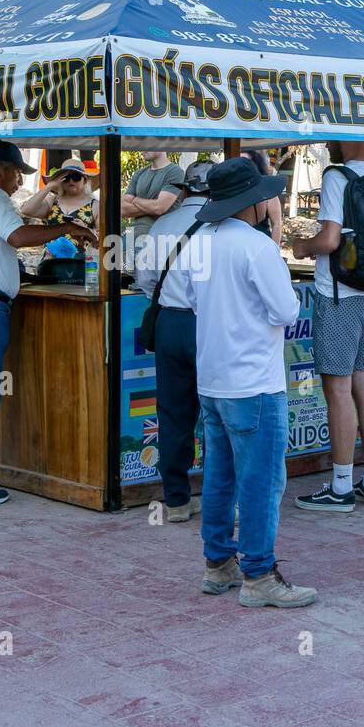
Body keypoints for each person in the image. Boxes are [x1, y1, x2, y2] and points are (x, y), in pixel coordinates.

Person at [179, 156, 315, 607]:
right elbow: (287, 311)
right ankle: (258, 574)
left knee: (219, 476)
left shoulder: (200, 240)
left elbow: (191, 301)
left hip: (214, 378)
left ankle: (218, 564)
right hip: (254, 382)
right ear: (252, 201)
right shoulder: (256, 248)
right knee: (260, 481)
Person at [0, 139, 97, 509]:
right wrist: (65, 228)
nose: (16, 184)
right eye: (15, 176)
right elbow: (19, 237)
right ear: (1, 170)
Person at [290, 140, 364, 511]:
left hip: (338, 295)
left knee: (337, 390)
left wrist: (301, 246)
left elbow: (331, 239)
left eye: (331, 138)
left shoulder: (337, 176)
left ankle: (341, 486)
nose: (328, 144)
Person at [134, 159, 212, 523]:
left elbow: (145, 278)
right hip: (209, 326)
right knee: (220, 413)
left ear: (184, 190)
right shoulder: (222, 227)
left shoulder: (164, 223)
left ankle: (177, 500)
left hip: (168, 323)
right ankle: (221, 497)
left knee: (173, 413)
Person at [19, 157, 99, 271]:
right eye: (66, 178)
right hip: (50, 263)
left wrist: (86, 231)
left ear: (85, 180)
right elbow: (26, 210)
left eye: (76, 177)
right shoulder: (52, 201)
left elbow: (103, 240)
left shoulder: (95, 205)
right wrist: (49, 186)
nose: (71, 181)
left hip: (80, 265)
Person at [121, 150, 184, 247]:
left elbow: (159, 208)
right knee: (114, 257)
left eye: (148, 144)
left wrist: (135, 200)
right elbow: (122, 209)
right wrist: (152, 206)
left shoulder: (175, 172)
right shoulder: (139, 173)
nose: (143, 149)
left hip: (160, 239)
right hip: (132, 235)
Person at [244, 150, 284, 244]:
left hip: (261, 244)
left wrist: (274, 251)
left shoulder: (268, 191)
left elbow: (277, 224)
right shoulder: (231, 191)